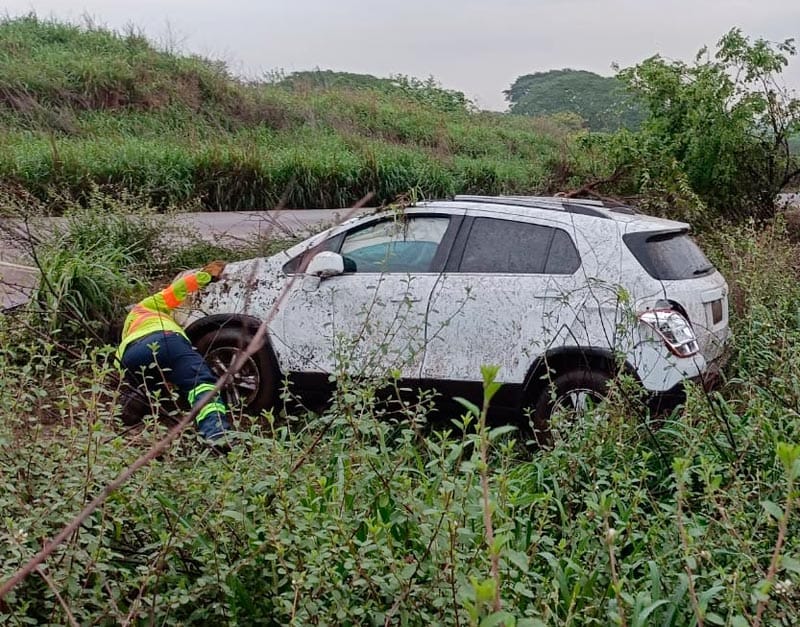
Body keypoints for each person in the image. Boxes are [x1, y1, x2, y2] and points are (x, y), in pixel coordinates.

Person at [116, 261, 232, 444]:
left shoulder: (126, 334)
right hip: (165, 340)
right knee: (200, 383)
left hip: (130, 355)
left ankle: (137, 398)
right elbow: (178, 289)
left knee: (145, 382)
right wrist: (206, 275)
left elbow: (120, 367)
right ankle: (217, 434)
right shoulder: (144, 307)